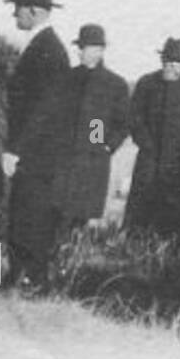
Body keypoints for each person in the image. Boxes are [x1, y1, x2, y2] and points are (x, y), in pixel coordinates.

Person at [0, 0, 70, 289]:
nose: (15, 15)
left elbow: (42, 110)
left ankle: (34, 280)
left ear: (32, 10)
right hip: (37, 151)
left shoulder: (48, 50)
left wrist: (16, 149)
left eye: (17, 9)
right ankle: (19, 276)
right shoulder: (43, 46)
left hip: (37, 153)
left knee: (33, 216)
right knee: (25, 213)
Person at [124, 38, 180, 242]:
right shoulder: (147, 83)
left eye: (177, 62)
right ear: (161, 60)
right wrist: (145, 143)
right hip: (150, 156)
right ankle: (137, 240)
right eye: (169, 61)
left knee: (177, 204)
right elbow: (134, 116)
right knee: (144, 200)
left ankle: (177, 243)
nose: (172, 66)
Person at [49, 25, 132, 228]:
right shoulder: (66, 78)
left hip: (92, 157)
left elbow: (123, 123)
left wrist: (106, 145)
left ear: (100, 51)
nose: (81, 52)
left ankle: (75, 249)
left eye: (87, 48)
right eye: (81, 47)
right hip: (64, 156)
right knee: (57, 207)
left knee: (83, 210)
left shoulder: (114, 84)